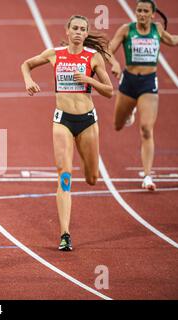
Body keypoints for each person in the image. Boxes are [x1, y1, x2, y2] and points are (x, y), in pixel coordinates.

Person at [21, 15, 113, 251]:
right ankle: (65, 234)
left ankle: (86, 162)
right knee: (64, 175)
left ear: (86, 33)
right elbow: (26, 64)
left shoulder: (93, 58)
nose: (78, 32)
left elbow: (109, 91)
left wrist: (88, 81)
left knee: (92, 178)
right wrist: (28, 80)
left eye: (83, 29)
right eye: (75, 28)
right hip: (62, 121)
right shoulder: (55, 53)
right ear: (67, 30)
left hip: (87, 121)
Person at [108, 0, 177, 191]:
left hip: (148, 83)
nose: (141, 14)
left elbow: (172, 40)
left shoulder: (157, 30)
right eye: (139, 10)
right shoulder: (126, 30)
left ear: (153, 14)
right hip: (129, 81)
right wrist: (113, 63)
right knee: (117, 125)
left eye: (145, 11)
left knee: (146, 129)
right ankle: (130, 111)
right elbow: (108, 49)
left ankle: (147, 176)